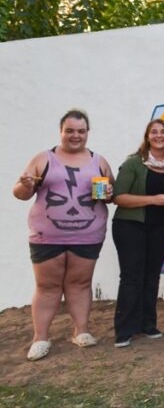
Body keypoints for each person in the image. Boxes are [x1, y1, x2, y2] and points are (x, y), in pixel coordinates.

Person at [12, 109, 113, 361]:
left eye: (81, 131)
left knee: (80, 284)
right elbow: (21, 192)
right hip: (47, 236)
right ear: (61, 132)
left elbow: (110, 194)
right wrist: (25, 186)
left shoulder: (98, 160)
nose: (75, 136)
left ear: (87, 133)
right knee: (47, 286)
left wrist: (109, 192)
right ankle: (40, 337)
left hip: (88, 235)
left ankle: (81, 331)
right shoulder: (43, 158)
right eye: (70, 131)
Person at [110, 119, 164, 347]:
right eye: (154, 132)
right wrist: (153, 200)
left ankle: (148, 325)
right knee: (131, 277)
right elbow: (118, 197)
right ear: (147, 137)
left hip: (161, 227)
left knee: (151, 276)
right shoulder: (133, 164)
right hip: (130, 225)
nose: (159, 135)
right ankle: (125, 330)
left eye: (163, 132)